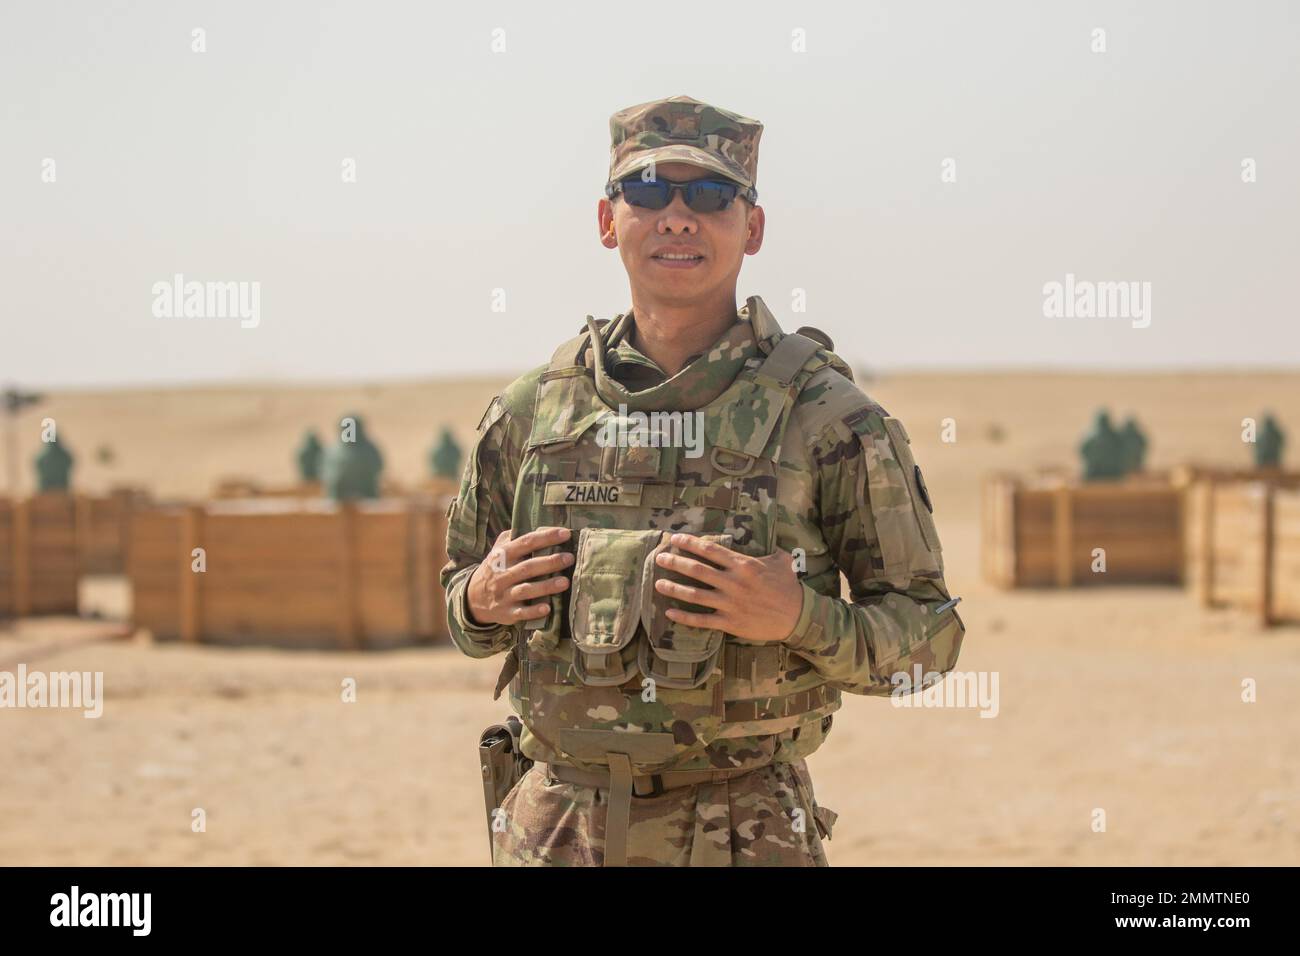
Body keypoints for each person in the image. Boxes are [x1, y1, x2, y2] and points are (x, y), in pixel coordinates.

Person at [440, 94, 966, 866]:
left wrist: (800, 618)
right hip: (554, 830)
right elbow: (462, 601)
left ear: (751, 228)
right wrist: (480, 601)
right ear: (606, 220)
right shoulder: (533, 412)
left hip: (742, 833)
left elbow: (932, 644)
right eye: (648, 191)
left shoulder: (829, 419)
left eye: (711, 195)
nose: (678, 217)